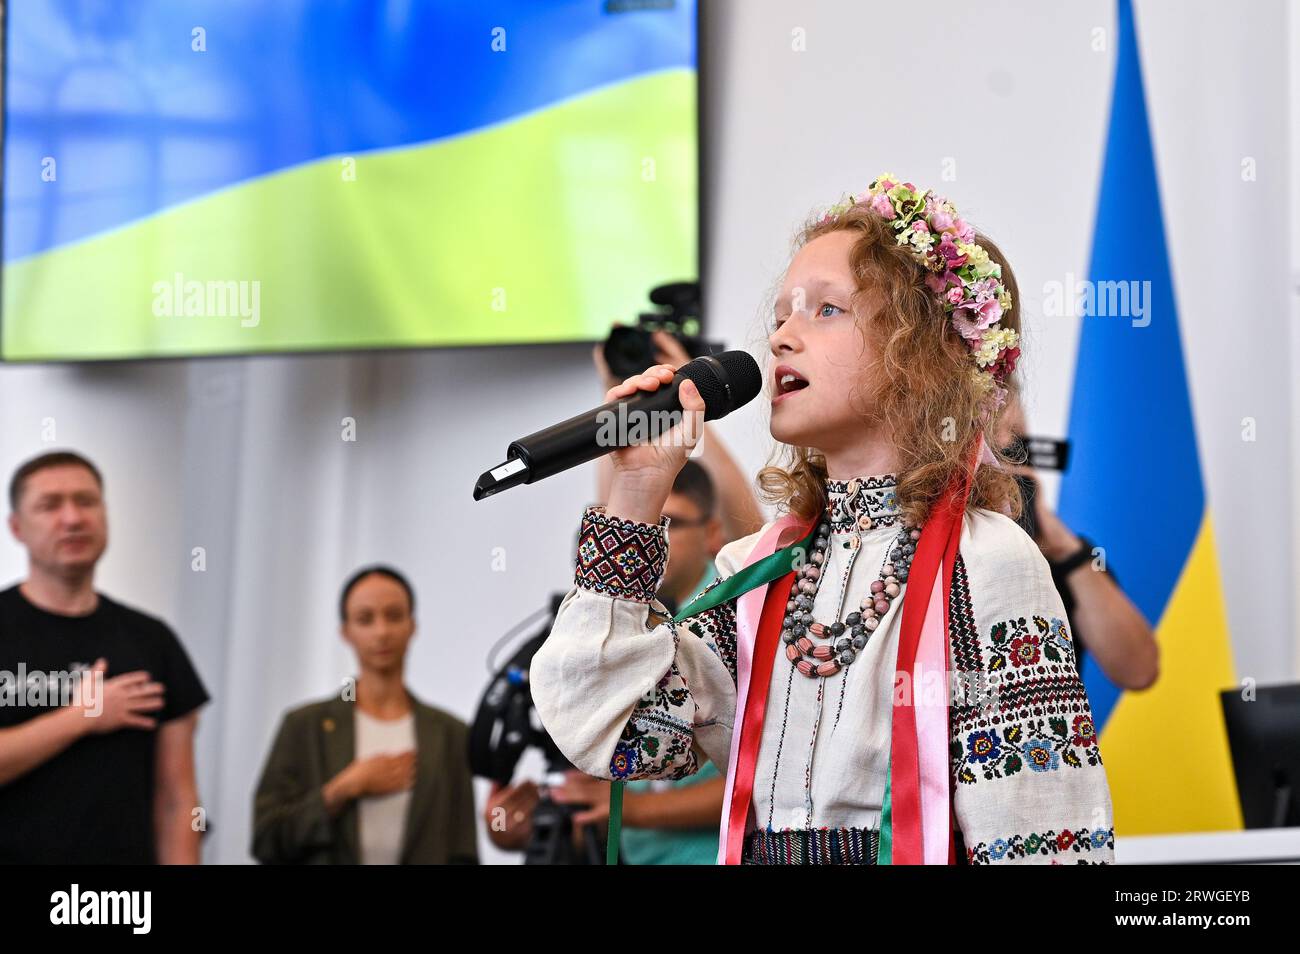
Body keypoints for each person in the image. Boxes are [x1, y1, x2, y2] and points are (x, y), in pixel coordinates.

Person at [531, 173, 1116, 865]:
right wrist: (634, 490)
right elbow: (616, 729)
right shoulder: (756, 574)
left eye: (825, 310)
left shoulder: (985, 561)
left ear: (920, 355)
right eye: (781, 314)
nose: (781, 337)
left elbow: (1045, 841)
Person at [0, 450, 209, 864]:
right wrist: (82, 718)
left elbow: (177, 799)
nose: (73, 518)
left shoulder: (151, 640)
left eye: (86, 501)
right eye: (50, 505)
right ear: (17, 528)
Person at [252, 566, 477, 864]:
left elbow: (463, 850)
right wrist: (341, 790)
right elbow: (267, 839)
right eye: (365, 619)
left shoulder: (451, 733)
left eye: (394, 616)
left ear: (412, 625)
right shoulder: (304, 726)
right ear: (345, 632)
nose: (381, 631)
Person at [998, 392, 1159, 690]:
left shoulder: (1060, 554)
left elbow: (1140, 672)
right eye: (999, 451)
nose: (1010, 468)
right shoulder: (922, 551)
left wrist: (1065, 551)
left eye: (1019, 445)